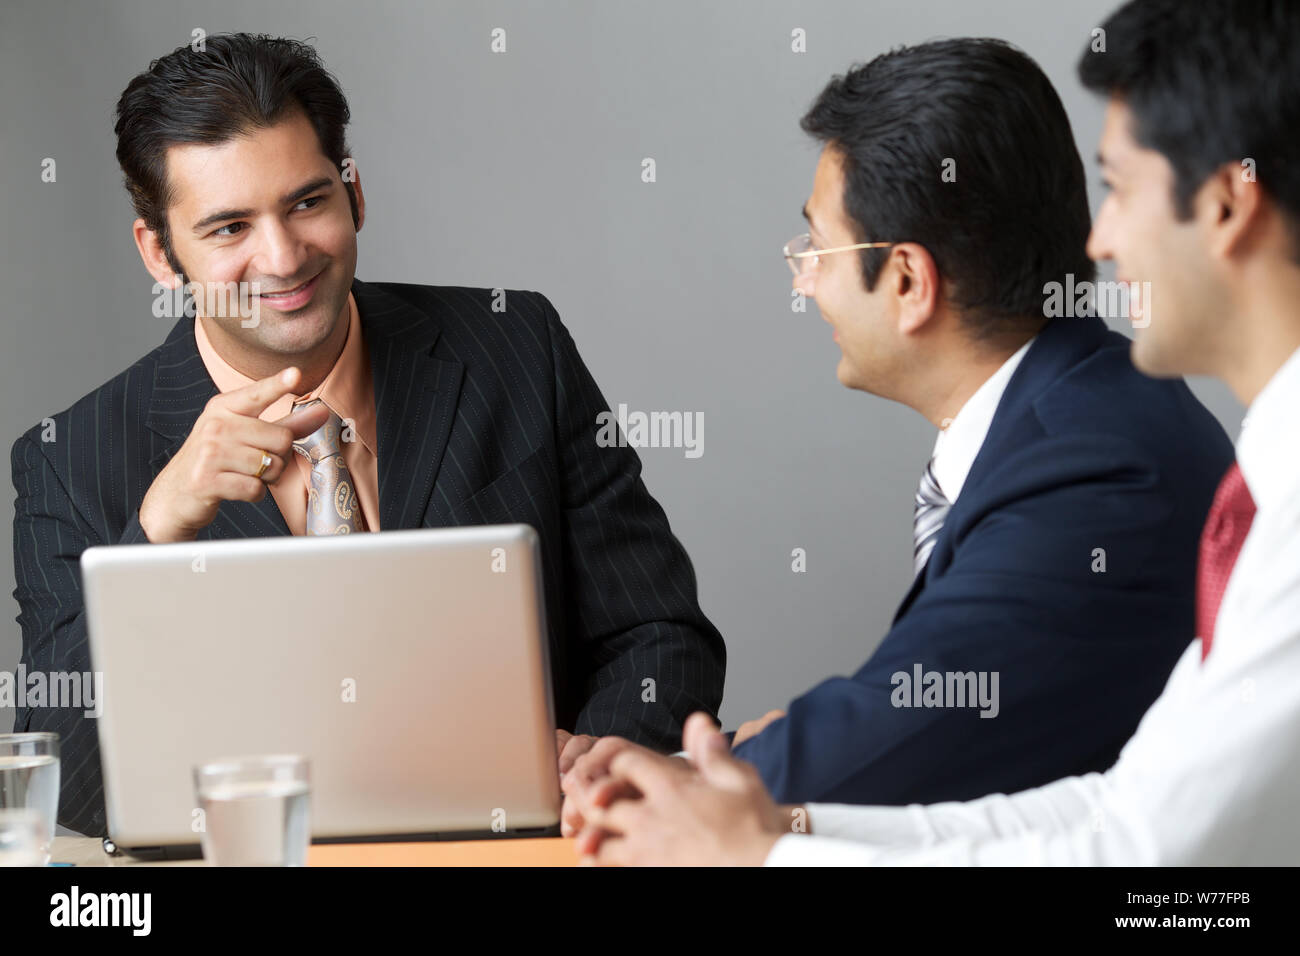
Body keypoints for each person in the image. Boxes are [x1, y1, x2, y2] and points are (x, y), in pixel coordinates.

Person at [566, 0, 1300, 865]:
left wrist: (743, 829)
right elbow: (1119, 813)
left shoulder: (1108, 465)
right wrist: (771, 830)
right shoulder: (1211, 456)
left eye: (1123, 188)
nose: (1100, 240)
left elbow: (1142, 856)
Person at [9, 33, 725, 837]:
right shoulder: (67, 457)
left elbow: (659, 633)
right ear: (159, 252)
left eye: (307, 202)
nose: (282, 258)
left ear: (354, 193)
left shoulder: (517, 344)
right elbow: (65, 769)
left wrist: (598, 768)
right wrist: (157, 529)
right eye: (229, 229)